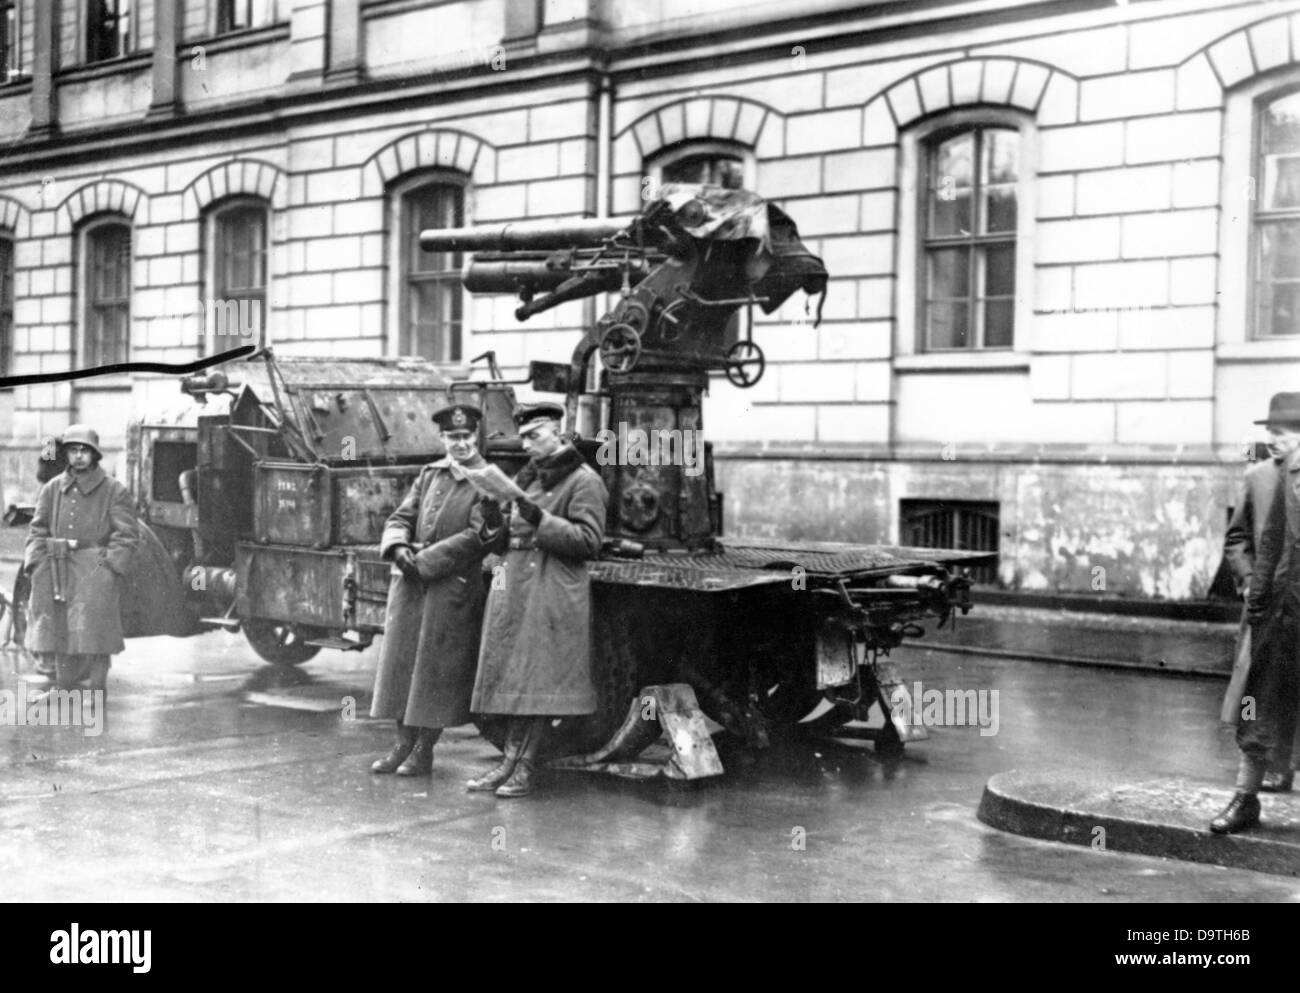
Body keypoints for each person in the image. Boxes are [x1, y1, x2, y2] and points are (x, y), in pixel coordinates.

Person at [467, 402, 608, 798]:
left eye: (535, 435)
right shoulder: (527, 478)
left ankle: (523, 767)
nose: (527, 444)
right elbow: (503, 536)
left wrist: (537, 517)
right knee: (515, 679)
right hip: (517, 588)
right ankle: (509, 764)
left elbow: (588, 541)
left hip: (551, 590)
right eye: (524, 437)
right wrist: (491, 512)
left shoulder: (584, 481)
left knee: (536, 683)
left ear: (559, 435)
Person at [368, 403, 504, 776]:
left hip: (450, 588)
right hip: (411, 585)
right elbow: (401, 517)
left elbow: (479, 536)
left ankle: (424, 750)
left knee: (435, 672)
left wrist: (424, 561)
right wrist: (397, 548)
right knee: (402, 666)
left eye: (466, 436)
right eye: (452, 437)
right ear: (442, 438)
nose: (459, 443)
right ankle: (401, 745)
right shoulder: (430, 474)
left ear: (475, 437)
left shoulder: (486, 479)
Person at [1212, 393, 1300, 834]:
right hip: (1273, 609)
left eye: (1282, 433)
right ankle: (1245, 798)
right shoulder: (1265, 477)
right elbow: (1249, 540)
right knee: (1256, 701)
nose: (1273, 441)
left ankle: (1283, 771)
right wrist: (1252, 587)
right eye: (1271, 433)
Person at [23, 426, 138, 699]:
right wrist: (37, 563)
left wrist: (110, 568)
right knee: (61, 629)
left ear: (94, 455)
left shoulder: (113, 490)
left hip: (95, 569)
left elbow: (127, 535)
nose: (78, 457)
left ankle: (97, 691)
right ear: (67, 454)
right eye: (73, 451)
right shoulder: (52, 489)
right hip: (56, 565)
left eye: (84, 450)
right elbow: (37, 529)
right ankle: (63, 688)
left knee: (96, 633)